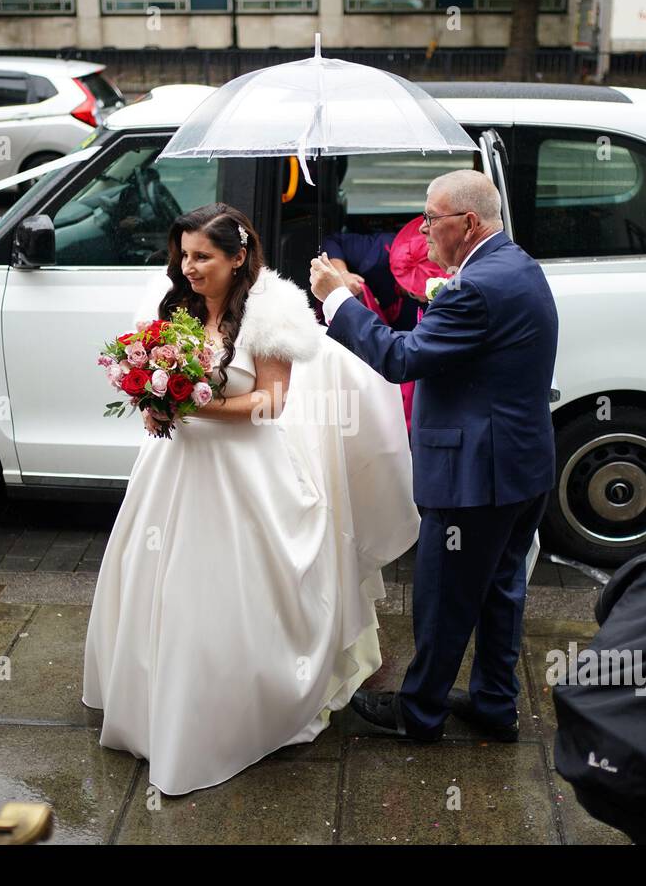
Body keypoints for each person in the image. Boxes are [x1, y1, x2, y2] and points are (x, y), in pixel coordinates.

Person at [82, 203, 421, 795]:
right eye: (183, 255)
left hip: (247, 472)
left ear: (239, 257)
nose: (188, 267)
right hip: (174, 468)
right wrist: (150, 399)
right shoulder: (169, 305)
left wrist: (192, 404)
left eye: (202, 257)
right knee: (163, 583)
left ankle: (233, 716)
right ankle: (157, 705)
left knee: (231, 592)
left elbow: (269, 404)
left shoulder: (272, 313)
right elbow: (150, 382)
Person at [311, 169, 559, 743]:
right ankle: (496, 706)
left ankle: (419, 714)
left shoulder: (475, 287)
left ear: (468, 223)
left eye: (431, 219)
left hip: (478, 476)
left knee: (445, 598)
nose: (422, 229)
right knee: (501, 590)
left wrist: (339, 304)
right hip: (523, 467)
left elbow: (401, 359)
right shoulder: (514, 265)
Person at [322, 217, 443, 431]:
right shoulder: (379, 250)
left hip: (401, 357)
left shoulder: (445, 295)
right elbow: (330, 243)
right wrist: (343, 276)